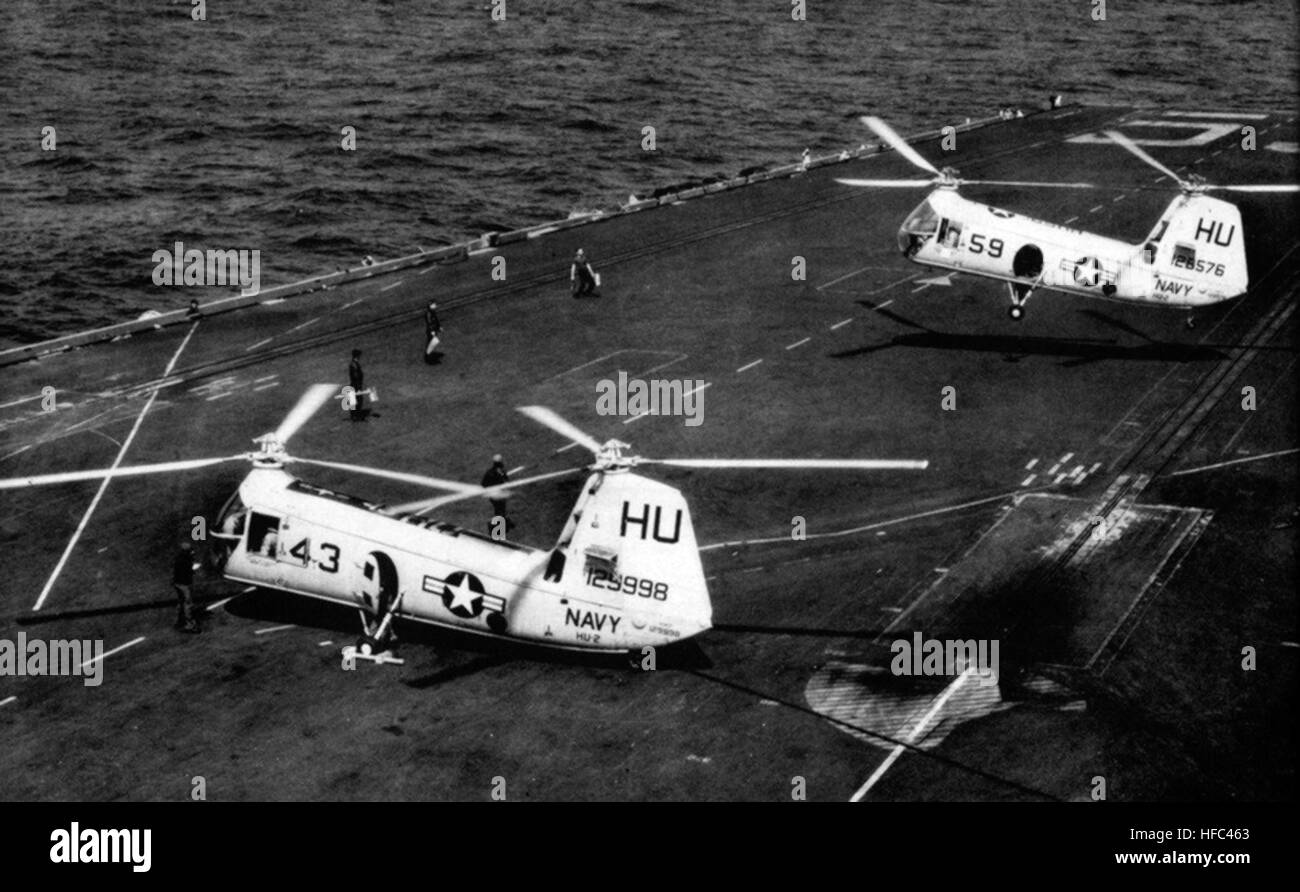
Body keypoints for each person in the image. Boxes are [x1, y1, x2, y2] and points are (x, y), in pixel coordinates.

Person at [173, 542, 199, 633]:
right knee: (188, 603)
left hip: (177, 583)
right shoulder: (185, 561)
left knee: (181, 602)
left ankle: (178, 621)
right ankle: (190, 625)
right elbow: (189, 571)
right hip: (184, 584)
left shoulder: (179, 558)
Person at [481, 454, 512, 531]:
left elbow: (483, 484)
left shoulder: (490, 472)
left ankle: (501, 523)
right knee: (500, 510)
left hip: (493, 495)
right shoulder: (501, 472)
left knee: (499, 509)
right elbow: (507, 480)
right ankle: (497, 527)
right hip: (498, 495)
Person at [348, 349, 366, 421]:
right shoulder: (354, 364)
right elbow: (356, 375)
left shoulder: (354, 363)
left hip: (355, 384)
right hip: (356, 384)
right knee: (358, 399)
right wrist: (358, 384)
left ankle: (355, 415)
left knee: (355, 399)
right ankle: (356, 415)